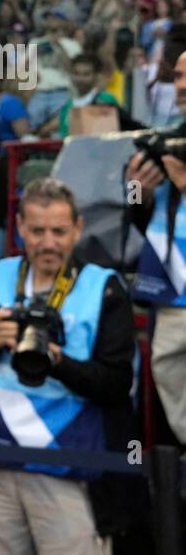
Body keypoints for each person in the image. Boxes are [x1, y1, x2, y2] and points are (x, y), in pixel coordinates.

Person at [0, 177, 134, 555]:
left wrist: (54, 359)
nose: (48, 243)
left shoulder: (103, 286)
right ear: (19, 227)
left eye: (58, 231)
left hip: (69, 470)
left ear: (77, 229)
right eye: (37, 231)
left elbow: (117, 384)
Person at [127, 48, 186, 443]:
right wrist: (136, 190)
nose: (179, 86)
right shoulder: (170, 138)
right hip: (172, 297)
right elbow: (141, 219)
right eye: (177, 76)